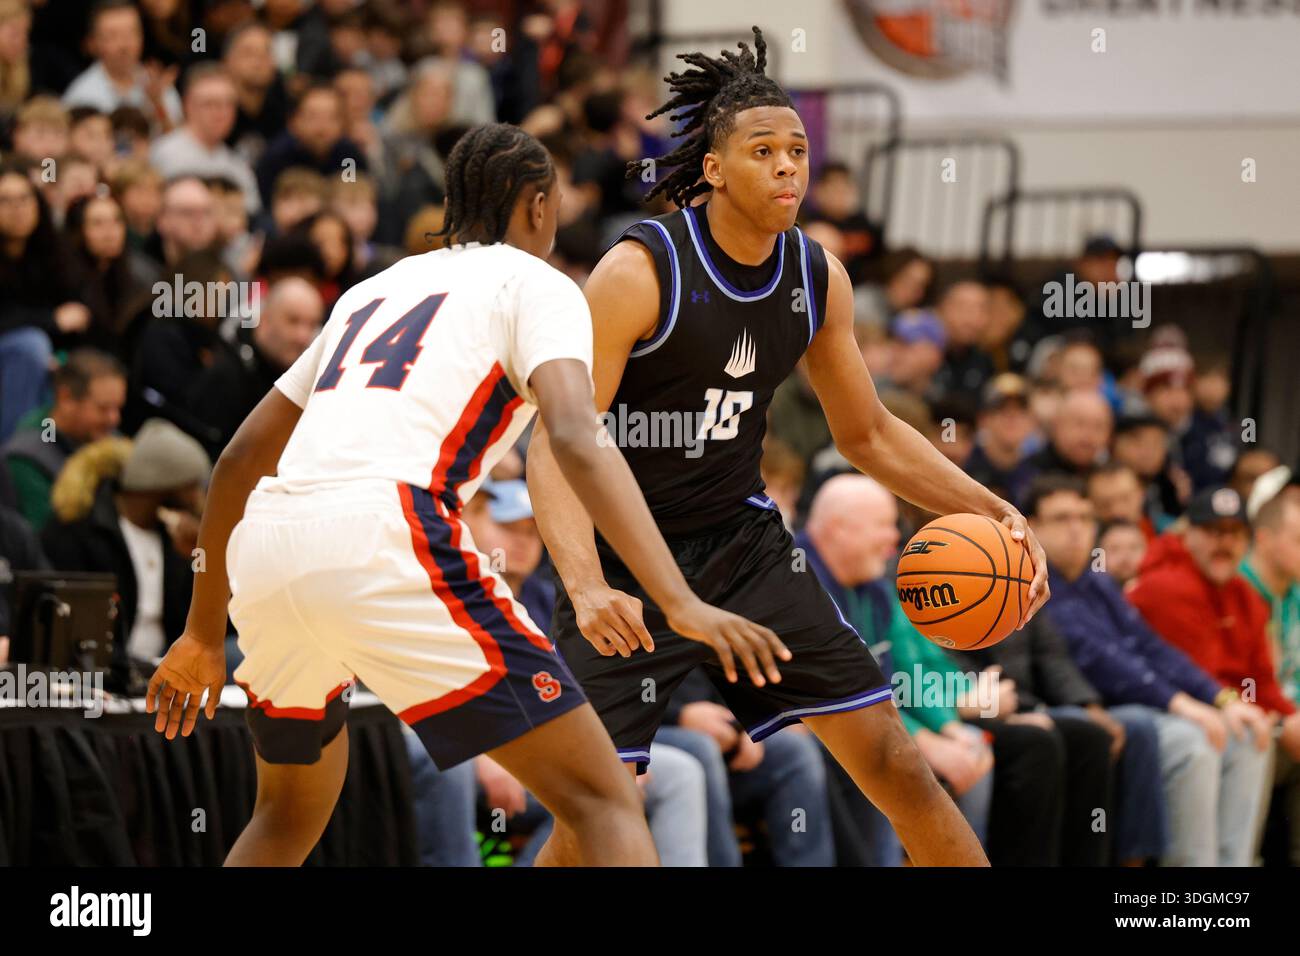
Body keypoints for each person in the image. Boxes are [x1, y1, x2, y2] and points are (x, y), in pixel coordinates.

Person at [145, 122, 784, 868]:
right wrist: (678, 599)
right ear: (539, 208)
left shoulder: (370, 290)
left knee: (285, 817)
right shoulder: (541, 285)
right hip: (390, 533)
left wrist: (198, 633)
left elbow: (239, 459)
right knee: (605, 797)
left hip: (271, 548)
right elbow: (578, 437)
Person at [526, 29, 1050, 868]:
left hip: (745, 549)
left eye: (798, 150)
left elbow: (868, 433)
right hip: (626, 561)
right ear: (713, 168)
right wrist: (585, 587)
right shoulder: (638, 271)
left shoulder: (816, 276)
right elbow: (557, 440)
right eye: (762, 150)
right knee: (599, 820)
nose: (787, 168)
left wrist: (994, 508)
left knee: (895, 761)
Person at [1034, 475, 1274, 865]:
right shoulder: (1036, 586)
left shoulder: (1098, 581)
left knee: (1245, 735)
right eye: (1061, 519)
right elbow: (1104, 661)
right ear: (1032, 524)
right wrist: (1181, 703)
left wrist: (1222, 698)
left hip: (1146, 705)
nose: (1076, 529)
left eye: (1083, 517)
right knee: (1194, 744)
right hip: (1099, 708)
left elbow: (1151, 648)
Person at [3, 349, 126, 532]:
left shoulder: (109, 438)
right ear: (66, 398)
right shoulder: (29, 457)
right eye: (103, 409)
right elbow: (45, 539)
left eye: (118, 408)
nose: (114, 419)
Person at [1240, 486, 1300, 863]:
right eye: (1298, 540)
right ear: (1264, 538)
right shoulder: (1237, 589)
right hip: (1252, 723)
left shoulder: (1294, 591)